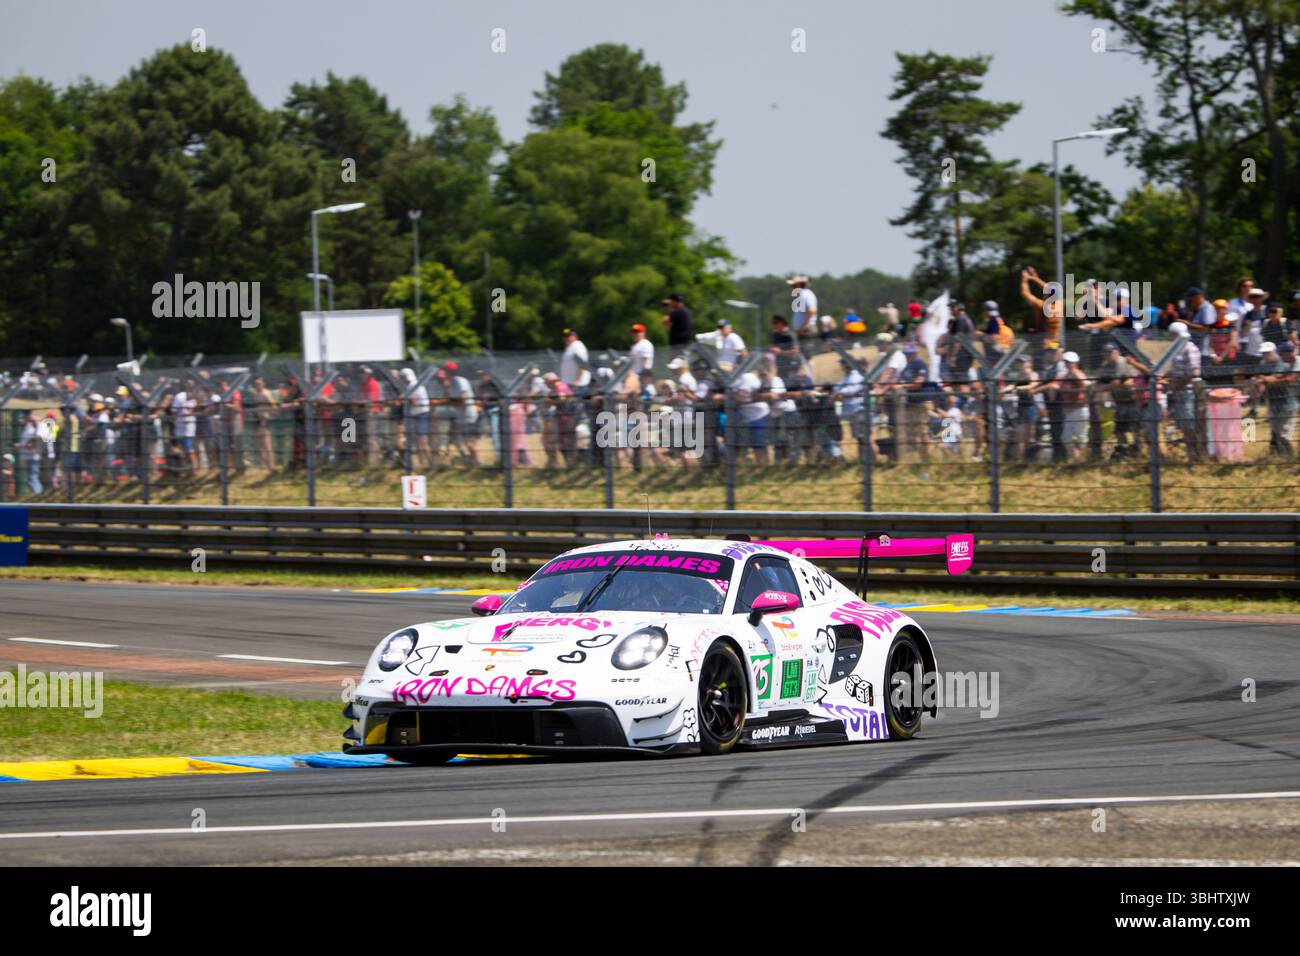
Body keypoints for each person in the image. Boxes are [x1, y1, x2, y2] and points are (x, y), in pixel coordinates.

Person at [1163, 321, 1202, 461]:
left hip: (1187, 392)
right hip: (1177, 392)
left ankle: (1195, 454)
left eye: (1172, 335)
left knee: (1189, 425)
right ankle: (1191, 453)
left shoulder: (1189, 349)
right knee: (1182, 424)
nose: (1169, 337)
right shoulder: (1175, 349)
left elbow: (1194, 373)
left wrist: (1177, 384)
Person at [1251, 342, 1296, 457]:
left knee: (1284, 434)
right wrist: (1258, 384)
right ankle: (1276, 455)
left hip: (1287, 402)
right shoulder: (1263, 364)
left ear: (1274, 352)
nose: (1266, 355)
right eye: (1264, 353)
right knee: (1275, 431)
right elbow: (1259, 379)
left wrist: (1262, 380)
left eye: (1268, 353)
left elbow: (1275, 380)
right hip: (1273, 401)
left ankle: (1289, 457)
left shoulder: (1282, 364)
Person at [437, 361, 479, 465]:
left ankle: (476, 462)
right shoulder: (449, 384)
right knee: (453, 438)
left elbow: (463, 401)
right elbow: (451, 401)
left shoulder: (461, 382)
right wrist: (446, 389)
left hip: (469, 416)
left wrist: (453, 401)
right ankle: (466, 458)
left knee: (469, 443)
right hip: (459, 416)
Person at [1019, 267, 1064, 344]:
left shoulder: (1044, 306)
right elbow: (1050, 289)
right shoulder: (1059, 305)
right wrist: (1035, 278)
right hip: (1055, 342)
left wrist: (1024, 279)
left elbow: (1025, 293)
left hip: (1046, 344)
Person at [1184, 287, 1217, 356]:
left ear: (1197, 297)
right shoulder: (1198, 309)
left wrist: (1188, 324)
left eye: (1191, 300)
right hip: (1197, 350)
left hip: (1204, 352)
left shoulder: (1207, 308)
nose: (1190, 303)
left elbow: (1207, 328)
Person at [560, 328, 591, 395]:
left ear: (575, 337)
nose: (566, 338)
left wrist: (578, 380)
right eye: (565, 336)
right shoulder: (570, 347)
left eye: (568, 336)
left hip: (577, 385)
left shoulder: (576, 346)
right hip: (572, 384)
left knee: (574, 404)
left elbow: (582, 365)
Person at [787, 275, 818, 342]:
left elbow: (811, 310)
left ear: (798, 285)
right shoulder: (803, 294)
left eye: (793, 285)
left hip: (806, 331)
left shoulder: (805, 294)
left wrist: (804, 327)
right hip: (803, 331)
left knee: (809, 351)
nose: (791, 287)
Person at [629, 323, 655, 390]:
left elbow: (645, 363)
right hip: (634, 375)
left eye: (638, 332)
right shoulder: (634, 346)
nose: (635, 334)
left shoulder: (645, 344)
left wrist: (643, 379)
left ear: (643, 333)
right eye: (634, 332)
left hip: (641, 376)